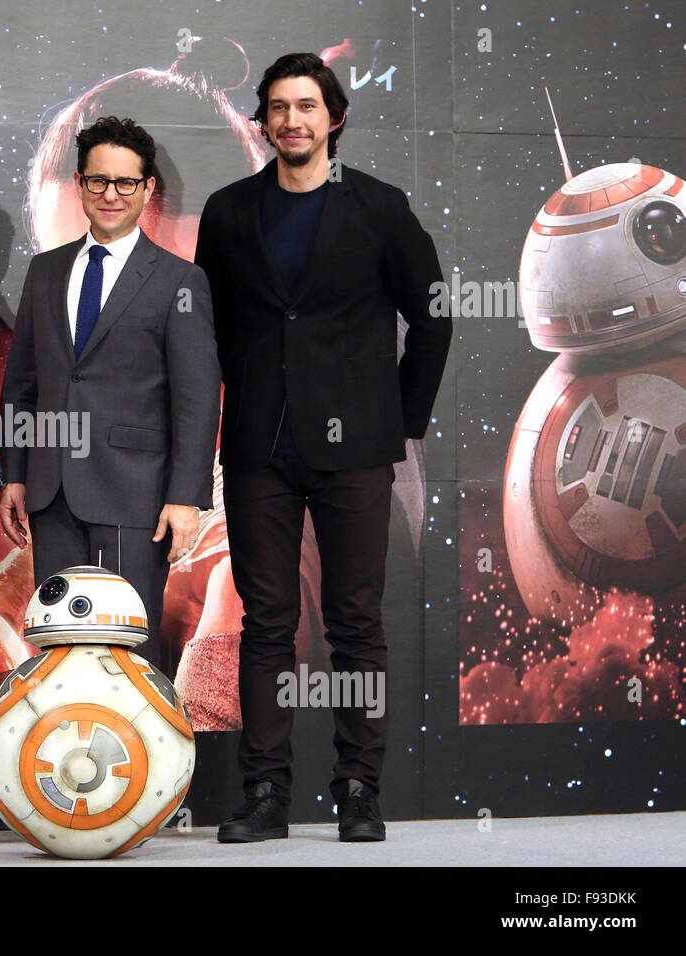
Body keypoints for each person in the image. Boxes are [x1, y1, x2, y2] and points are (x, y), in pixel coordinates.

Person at [195, 53, 451, 843]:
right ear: (263, 121)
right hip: (258, 449)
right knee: (264, 623)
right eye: (277, 107)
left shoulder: (379, 207)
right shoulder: (230, 210)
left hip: (356, 451)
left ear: (333, 116)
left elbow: (434, 315)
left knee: (355, 623)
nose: (292, 120)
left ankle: (358, 789)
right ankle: (265, 792)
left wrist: (398, 424)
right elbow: (207, 330)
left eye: (306, 106)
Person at [0, 116, 221, 670]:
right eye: (98, 181)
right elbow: (22, 384)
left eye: (125, 183)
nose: (110, 194)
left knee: (129, 650)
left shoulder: (178, 281)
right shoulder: (46, 272)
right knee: (57, 650)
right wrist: (15, 474)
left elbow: (197, 398)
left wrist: (185, 496)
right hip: (51, 492)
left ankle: (130, 757)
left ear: (148, 189)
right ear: (80, 183)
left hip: (138, 493)